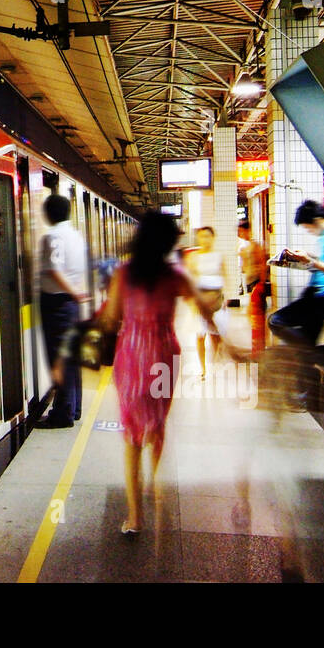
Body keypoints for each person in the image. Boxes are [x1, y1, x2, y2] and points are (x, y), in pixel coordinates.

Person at [90, 212, 217, 536]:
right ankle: (155, 480)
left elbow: (112, 317)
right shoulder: (175, 275)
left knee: (132, 435)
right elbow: (204, 307)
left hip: (132, 357)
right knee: (157, 423)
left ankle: (134, 518)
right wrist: (227, 340)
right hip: (163, 357)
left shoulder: (124, 273)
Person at [268, 200, 324, 348]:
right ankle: (316, 355)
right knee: (307, 336)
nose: (309, 232)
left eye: (308, 228)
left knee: (276, 321)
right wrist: (307, 259)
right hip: (317, 294)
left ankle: (319, 354)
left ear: (316, 220)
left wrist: (311, 262)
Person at [37, 193, 89, 429]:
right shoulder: (76, 236)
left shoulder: (53, 237)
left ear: (49, 214)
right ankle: (74, 409)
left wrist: (73, 292)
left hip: (56, 304)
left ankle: (62, 415)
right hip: (71, 305)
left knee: (60, 360)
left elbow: (54, 270)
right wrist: (76, 293)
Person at [184, 227, 224, 380]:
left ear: (213, 238)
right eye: (201, 236)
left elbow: (224, 277)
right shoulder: (193, 257)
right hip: (199, 301)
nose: (204, 239)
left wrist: (225, 298)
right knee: (200, 335)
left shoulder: (219, 256)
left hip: (216, 299)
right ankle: (203, 368)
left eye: (207, 236)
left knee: (215, 335)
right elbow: (189, 280)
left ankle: (215, 363)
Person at [238, 222, 267, 354]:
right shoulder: (246, 246)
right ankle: (258, 344)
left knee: (255, 314)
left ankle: (260, 345)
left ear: (247, 230)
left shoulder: (255, 246)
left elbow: (262, 264)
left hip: (256, 283)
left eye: (242, 231)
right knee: (253, 315)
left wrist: (262, 282)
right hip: (250, 281)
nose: (240, 234)